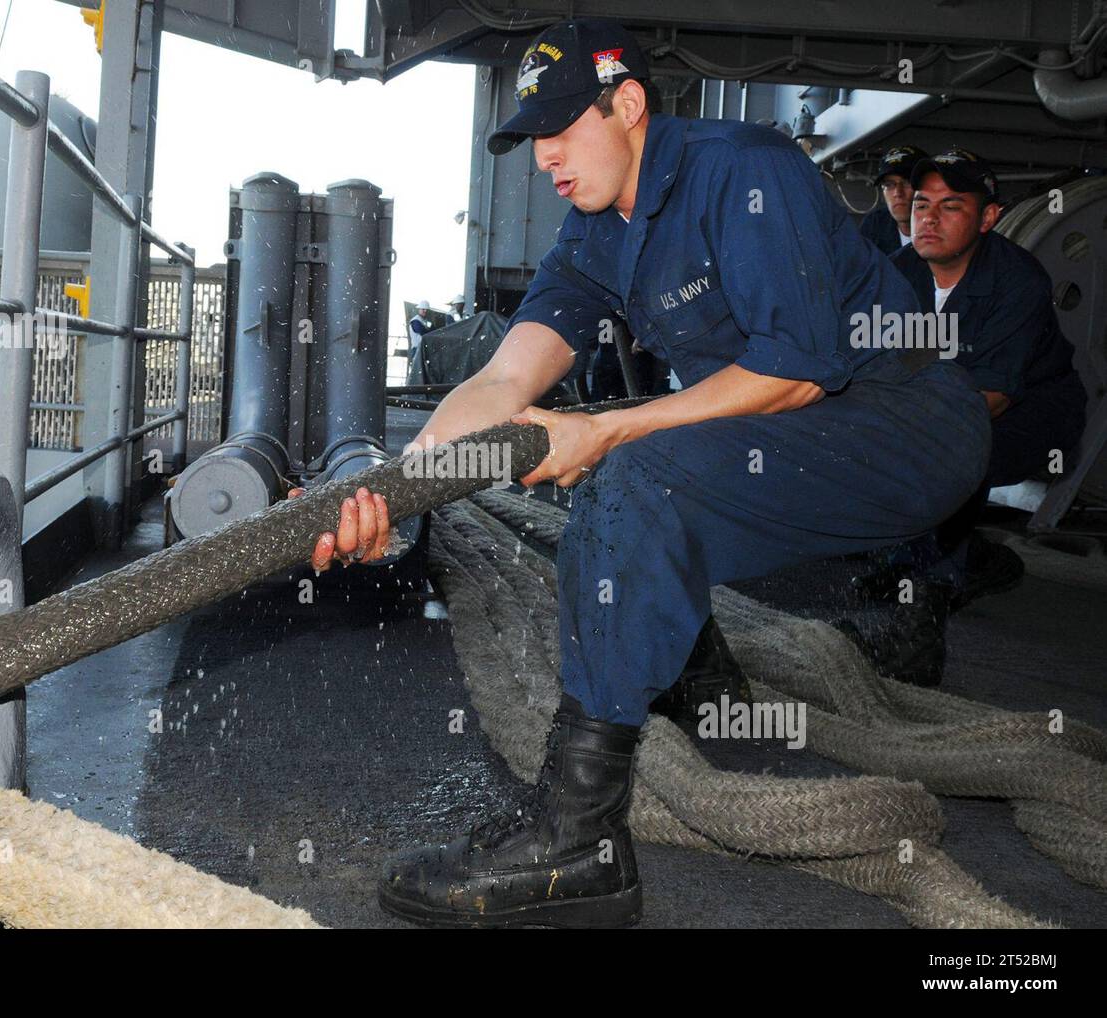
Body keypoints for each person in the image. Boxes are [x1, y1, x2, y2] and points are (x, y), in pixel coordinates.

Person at [291, 18, 989, 928]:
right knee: (632, 474)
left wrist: (607, 432)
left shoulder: (746, 170)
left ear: (627, 105)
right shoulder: (593, 235)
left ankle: (579, 835)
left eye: (560, 128)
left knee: (634, 476)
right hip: (801, 433)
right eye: (531, 137)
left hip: (911, 427)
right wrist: (392, 488)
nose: (544, 156)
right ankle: (702, 680)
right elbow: (504, 380)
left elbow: (797, 369)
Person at [843, 149, 1088, 686]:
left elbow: (992, 397)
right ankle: (968, 560)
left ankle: (917, 635)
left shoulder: (1017, 280)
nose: (927, 218)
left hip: (1027, 418)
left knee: (943, 454)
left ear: (988, 218)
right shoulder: (898, 274)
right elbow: (872, 368)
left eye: (951, 206)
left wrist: (898, 428)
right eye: (923, 203)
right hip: (938, 405)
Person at [859, 145, 927, 255]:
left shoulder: (942, 226)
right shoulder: (875, 225)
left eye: (907, 182)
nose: (897, 193)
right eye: (889, 185)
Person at [407, 300, 435, 378]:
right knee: (416, 370)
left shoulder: (426, 321)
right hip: (417, 348)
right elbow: (422, 331)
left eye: (426, 309)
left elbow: (433, 330)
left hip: (423, 348)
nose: (425, 311)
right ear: (419, 309)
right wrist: (428, 330)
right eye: (423, 309)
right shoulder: (415, 321)